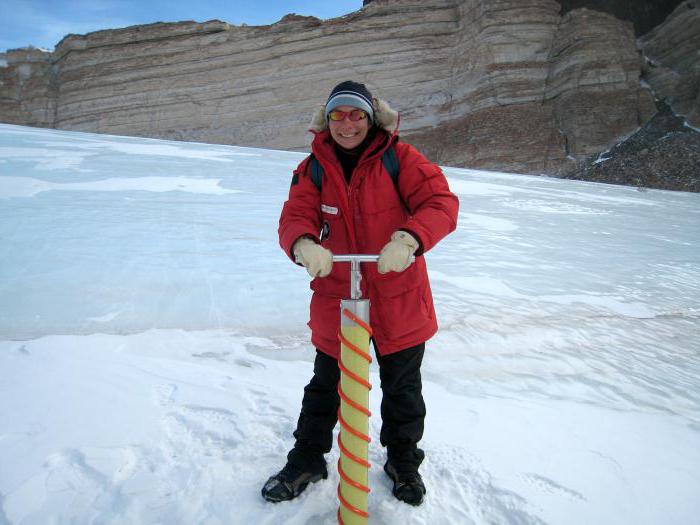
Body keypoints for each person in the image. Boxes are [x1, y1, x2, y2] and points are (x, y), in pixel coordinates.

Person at [263, 81, 459, 506]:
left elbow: (440, 202)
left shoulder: (400, 160)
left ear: (371, 118)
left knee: (402, 388)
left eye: (355, 115)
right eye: (337, 115)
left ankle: (403, 461)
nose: (346, 124)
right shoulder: (313, 167)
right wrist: (303, 244)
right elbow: (295, 214)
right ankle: (308, 459)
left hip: (398, 294)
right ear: (326, 120)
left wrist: (408, 240)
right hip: (338, 295)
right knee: (325, 385)